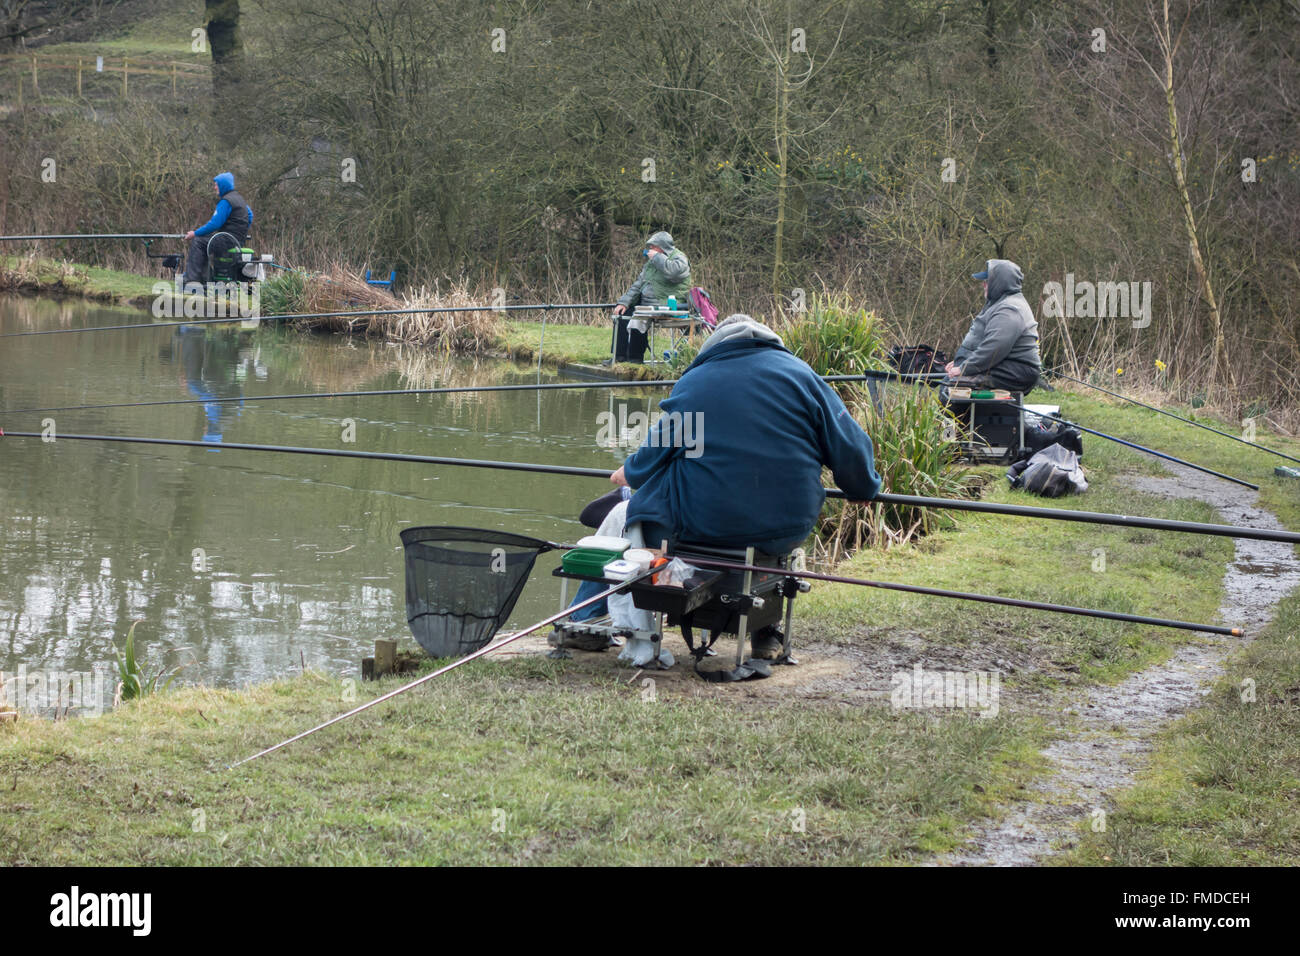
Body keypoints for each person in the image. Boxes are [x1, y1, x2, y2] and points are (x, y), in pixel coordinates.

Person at [607, 312, 882, 659]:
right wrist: (863, 489)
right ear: (770, 342)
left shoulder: (697, 382)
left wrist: (628, 472)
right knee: (766, 535)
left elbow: (649, 461)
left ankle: (586, 621)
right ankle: (767, 632)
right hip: (787, 528)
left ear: (714, 346)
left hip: (704, 528)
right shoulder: (804, 378)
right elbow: (853, 448)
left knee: (628, 515)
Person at [944, 258, 1041, 393]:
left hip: (1014, 372)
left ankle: (969, 414)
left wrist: (964, 368)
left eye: (987, 281)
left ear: (999, 284)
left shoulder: (1009, 309)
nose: (983, 285)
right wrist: (962, 362)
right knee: (949, 381)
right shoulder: (999, 303)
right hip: (1004, 366)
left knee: (954, 384)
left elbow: (994, 348)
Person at [610, 230, 692, 364]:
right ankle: (619, 357)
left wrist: (658, 258)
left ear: (662, 246)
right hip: (646, 303)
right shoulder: (651, 263)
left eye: (653, 246)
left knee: (639, 316)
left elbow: (674, 273)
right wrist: (624, 302)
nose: (650, 249)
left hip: (666, 303)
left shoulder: (679, 258)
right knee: (622, 314)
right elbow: (638, 284)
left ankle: (635, 358)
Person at [183, 172, 253, 286]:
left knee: (198, 241)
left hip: (226, 241)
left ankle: (192, 279)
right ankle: (204, 278)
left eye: (216, 185)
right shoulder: (239, 199)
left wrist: (194, 233)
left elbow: (214, 224)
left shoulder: (226, 201)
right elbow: (250, 215)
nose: (215, 187)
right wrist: (242, 231)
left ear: (223, 185)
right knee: (206, 240)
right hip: (237, 241)